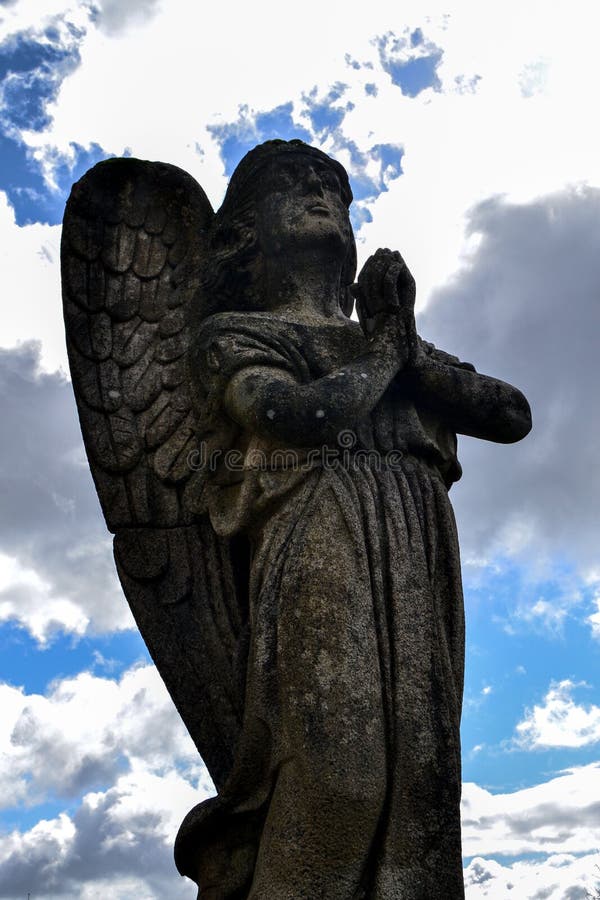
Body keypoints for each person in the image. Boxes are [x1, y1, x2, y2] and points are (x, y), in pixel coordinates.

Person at [175, 139, 531, 899]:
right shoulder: (236, 334)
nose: (321, 194)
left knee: (423, 786)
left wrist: (401, 351)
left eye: (335, 188)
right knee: (342, 775)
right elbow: (296, 414)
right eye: (293, 185)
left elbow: (511, 414)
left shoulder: (396, 345)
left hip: (414, 543)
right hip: (320, 533)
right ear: (245, 230)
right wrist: (387, 356)